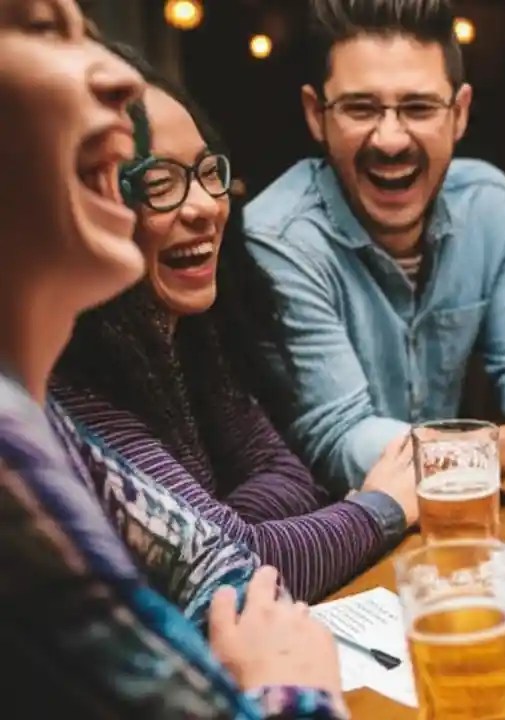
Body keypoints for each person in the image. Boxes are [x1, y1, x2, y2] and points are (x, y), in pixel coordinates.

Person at [0, 1, 345, 716]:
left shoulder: (43, 418)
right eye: (42, 27)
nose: (120, 81)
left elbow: (223, 562)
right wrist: (294, 688)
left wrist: (222, 531)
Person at [53, 45, 417, 603]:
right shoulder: (63, 382)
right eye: (157, 183)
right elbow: (238, 571)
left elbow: (289, 475)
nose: (203, 205)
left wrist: (210, 527)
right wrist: (381, 508)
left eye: (204, 171)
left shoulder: (184, 337)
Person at [244, 0, 505, 492]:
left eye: (418, 107)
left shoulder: (488, 205)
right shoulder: (279, 238)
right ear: (316, 115)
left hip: (457, 519)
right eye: (360, 108)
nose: (390, 140)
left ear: (458, 114)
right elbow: (343, 440)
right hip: (331, 538)